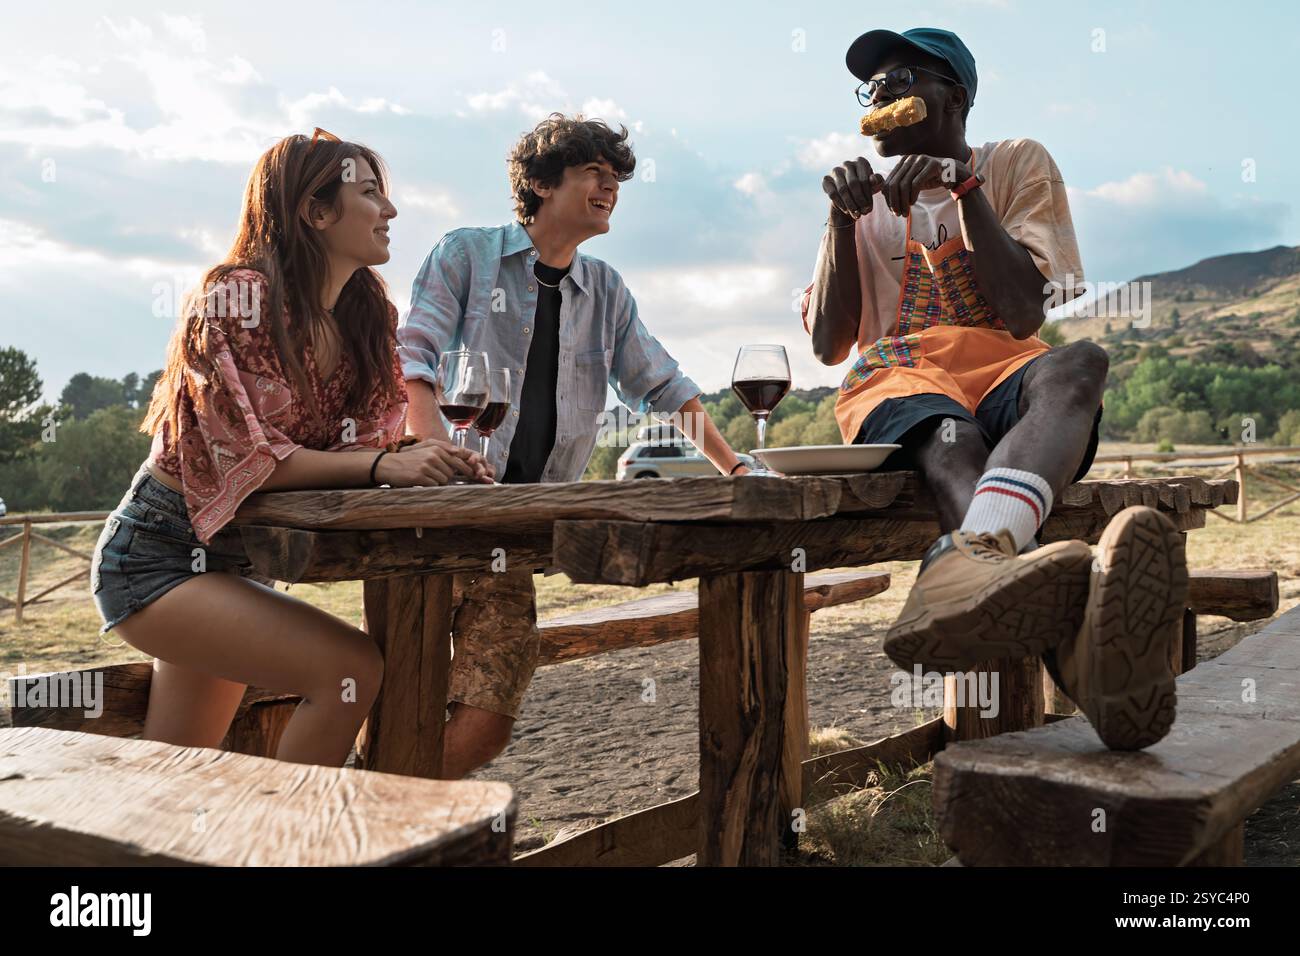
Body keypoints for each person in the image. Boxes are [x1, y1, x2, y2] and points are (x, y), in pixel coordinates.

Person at [802, 28, 1184, 748]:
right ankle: (1088, 668)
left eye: (901, 77)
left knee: (1079, 363)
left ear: (955, 96)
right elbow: (828, 345)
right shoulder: (863, 197)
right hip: (899, 372)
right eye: (870, 86)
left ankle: (965, 570)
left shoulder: (1013, 163)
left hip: (1004, 362)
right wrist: (837, 220)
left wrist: (963, 187)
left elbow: (1021, 312)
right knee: (954, 438)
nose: (880, 93)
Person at [91, 130, 492, 767]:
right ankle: (294, 849)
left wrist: (428, 455)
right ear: (316, 211)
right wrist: (389, 464)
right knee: (350, 670)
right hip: (159, 560)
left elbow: (367, 443)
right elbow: (250, 461)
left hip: (237, 567)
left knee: (174, 782)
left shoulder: (367, 314)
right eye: (371, 195)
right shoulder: (235, 300)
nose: (390, 212)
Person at [399, 113, 750, 776]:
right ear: (539, 182)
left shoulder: (606, 290)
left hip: (516, 530)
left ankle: (374, 810)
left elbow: (663, 386)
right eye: (592, 171)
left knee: (488, 717)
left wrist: (736, 468)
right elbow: (412, 353)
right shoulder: (465, 255)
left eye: (615, 177)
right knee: (395, 693)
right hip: (425, 523)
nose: (608, 186)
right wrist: (433, 457)